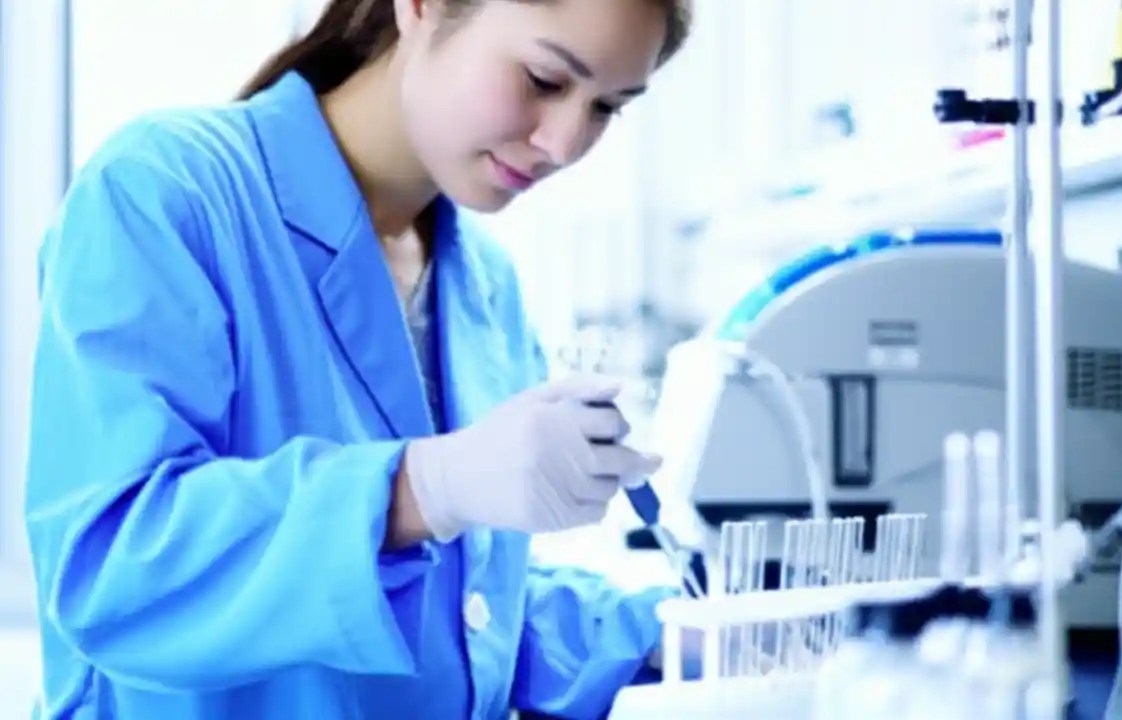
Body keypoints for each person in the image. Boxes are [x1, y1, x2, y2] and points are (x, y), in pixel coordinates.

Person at [22, 0, 692, 717]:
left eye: (607, 108)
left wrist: (673, 634)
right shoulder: (166, 190)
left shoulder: (485, 289)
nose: (563, 143)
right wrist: (420, 490)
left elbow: (461, 615)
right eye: (544, 79)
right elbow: (112, 571)